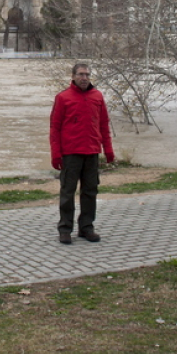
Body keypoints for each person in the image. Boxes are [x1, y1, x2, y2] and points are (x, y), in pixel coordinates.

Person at [50, 63, 115, 245]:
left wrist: (108, 149)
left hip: (92, 151)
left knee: (90, 191)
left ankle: (86, 228)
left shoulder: (97, 96)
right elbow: (55, 128)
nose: (84, 78)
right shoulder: (63, 97)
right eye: (80, 74)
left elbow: (103, 125)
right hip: (70, 153)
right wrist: (56, 154)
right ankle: (65, 229)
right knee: (67, 192)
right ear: (73, 76)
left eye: (87, 74)